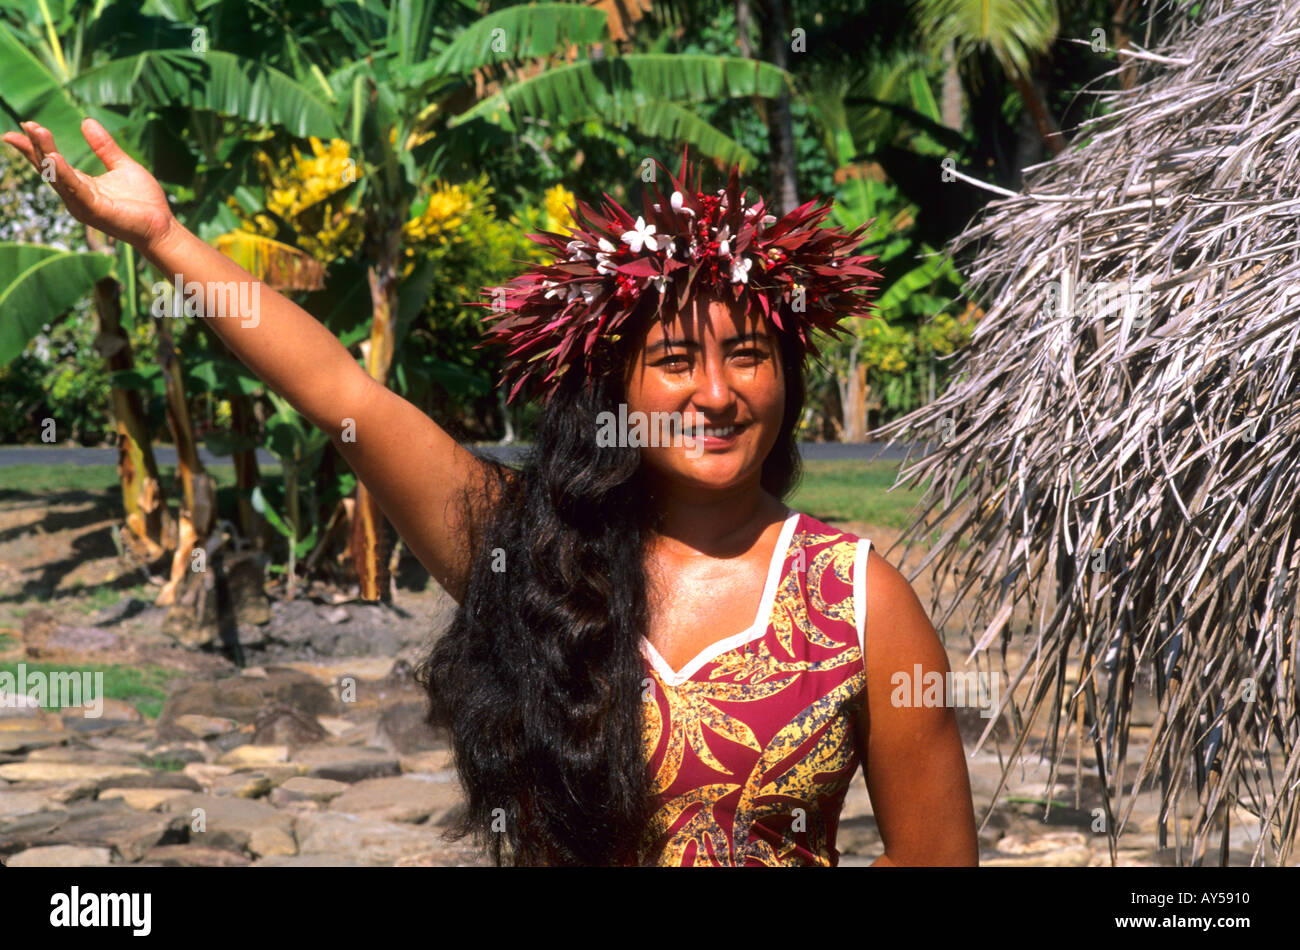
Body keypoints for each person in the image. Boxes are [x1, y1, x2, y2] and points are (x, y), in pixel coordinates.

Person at [5, 119, 979, 867]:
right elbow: (341, 390)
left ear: (787, 378)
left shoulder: (858, 602)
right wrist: (167, 237)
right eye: (676, 359)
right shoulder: (527, 552)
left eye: (749, 356)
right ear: (615, 386)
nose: (716, 393)